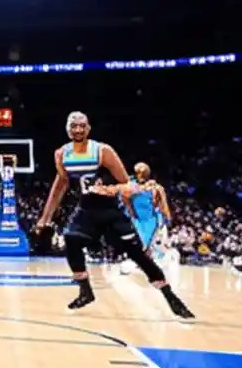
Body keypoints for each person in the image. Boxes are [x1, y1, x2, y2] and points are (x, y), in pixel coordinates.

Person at [34, 112, 193, 318]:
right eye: (74, 126)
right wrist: (44, 218)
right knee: (71, 239)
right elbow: (60, 186)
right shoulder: (61, 154)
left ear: (88, 128)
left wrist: (110, 189)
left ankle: (171, 297)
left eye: (82, 126)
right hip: (86, 209)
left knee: (138, 255)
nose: (78, 130)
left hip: (111, 210)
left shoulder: (102, 151)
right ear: (68, 129)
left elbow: (129, 184)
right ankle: (85, 291)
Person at [119, 163, 171, 274]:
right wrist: (131, 213)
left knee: (148, 243)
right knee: (139, 244)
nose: (140, 175)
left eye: (143, 172)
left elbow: (163, 203)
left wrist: (167, 217)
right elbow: (125, 200)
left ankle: (153, 263)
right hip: (138, 219)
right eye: (138, 172)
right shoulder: (131, 187)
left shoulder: (156, 187)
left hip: (152, 219)